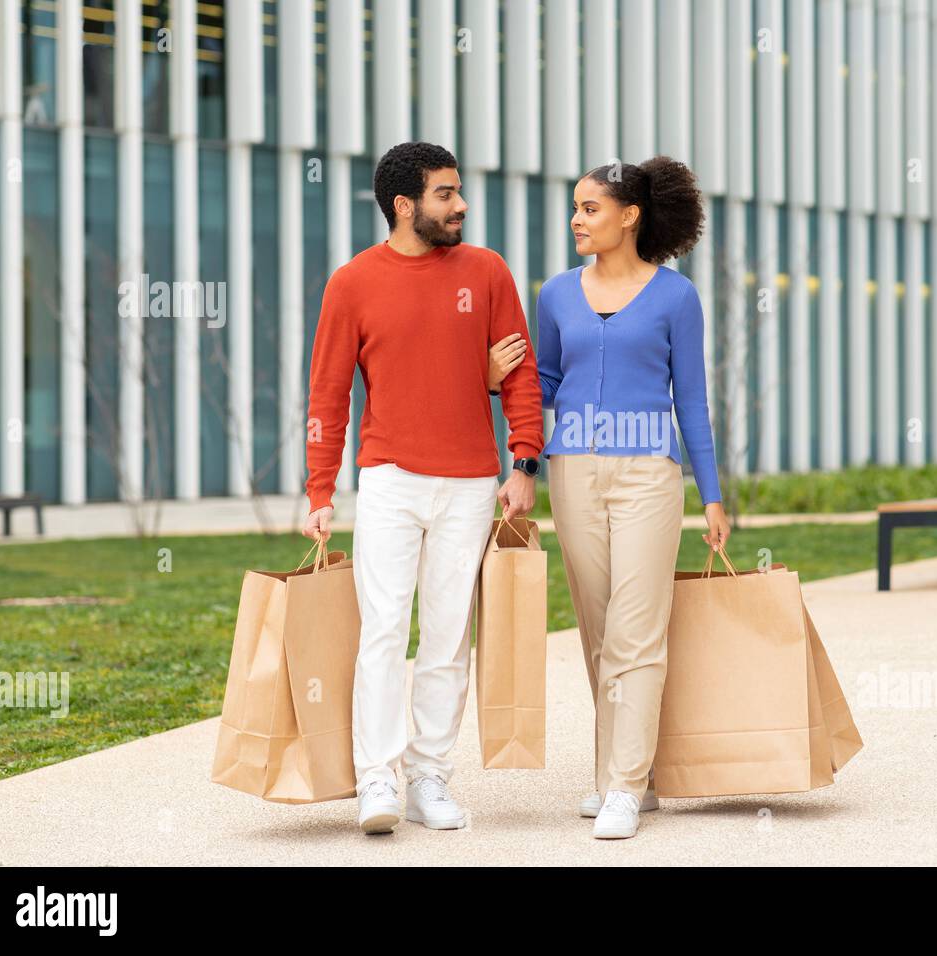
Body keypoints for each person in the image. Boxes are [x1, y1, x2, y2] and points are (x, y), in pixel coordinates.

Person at [303, 141, 544, 835]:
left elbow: (521, 374)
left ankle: (429, 777)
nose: (461, 204)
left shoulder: (487, 271)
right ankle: (377, 775)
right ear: (404, 205)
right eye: (446, 194)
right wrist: (321, 491)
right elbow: (327, 398)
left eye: (459, 191)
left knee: (447, 638)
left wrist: (523, 460)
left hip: (471, 485)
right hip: (389, 480)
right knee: (382, 630)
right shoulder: (352, 283)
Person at [490, 156, 729, 839]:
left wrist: (710, 494)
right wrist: (525, 464)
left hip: (648, 473)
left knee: (637, 628)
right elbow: (541, 382)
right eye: (575, 208)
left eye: (590, 208)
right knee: (598, 629)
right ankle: (630, 774)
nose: (576, 220)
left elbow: (692, 399)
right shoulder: (557, 294)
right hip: (573, 471)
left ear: (630, 217)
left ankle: (621, 785)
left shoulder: (676, 298)